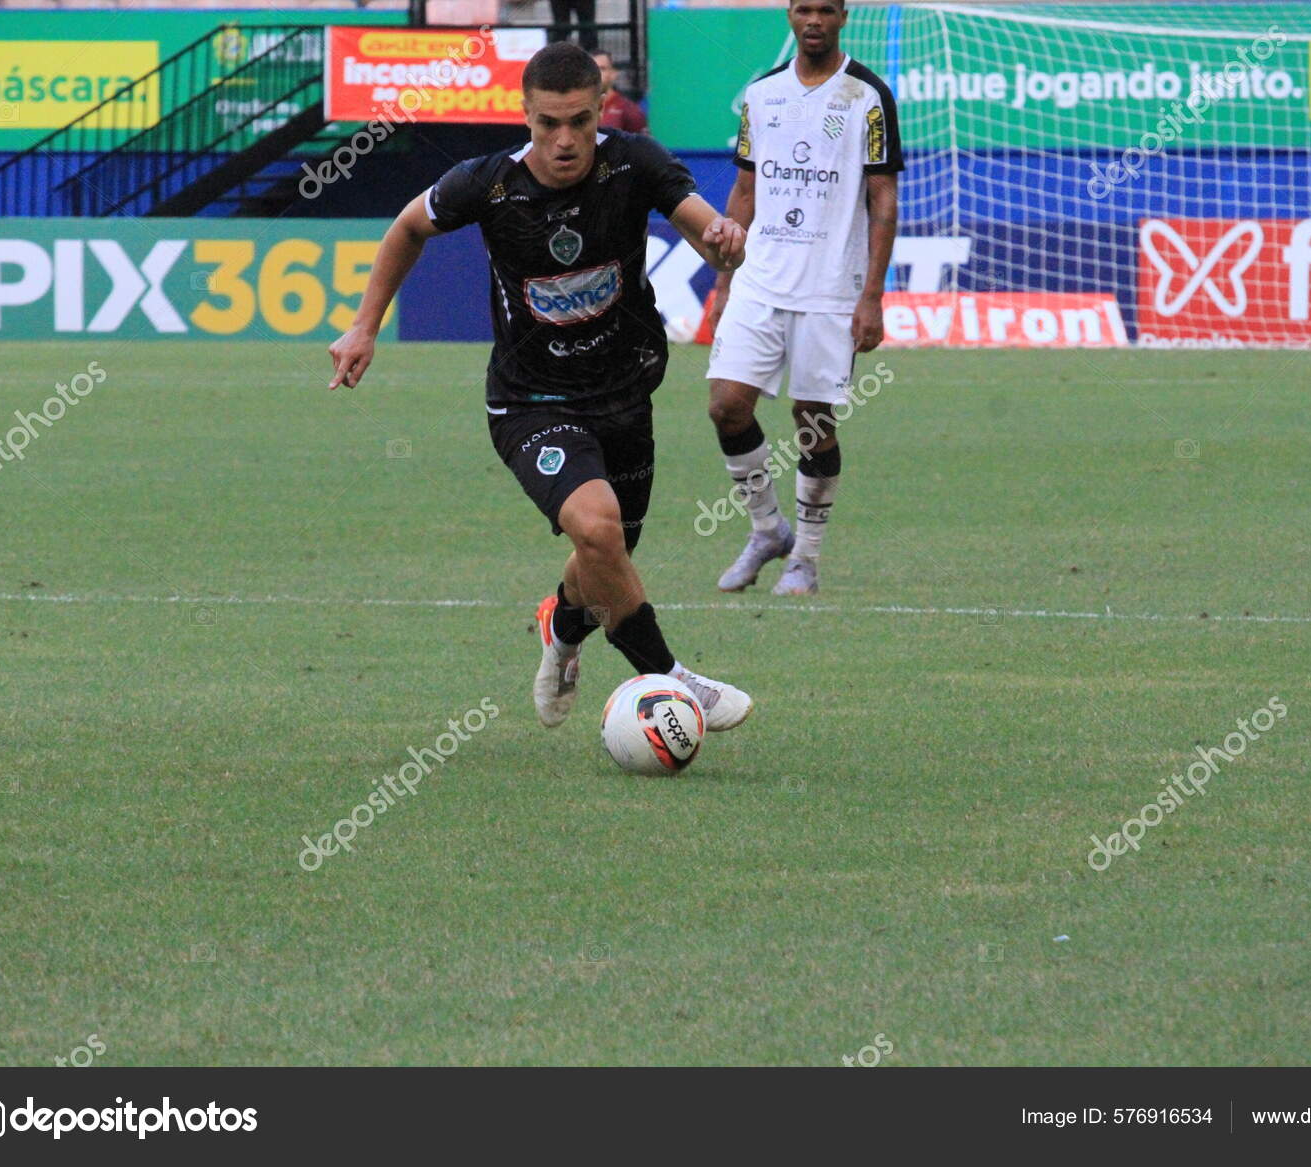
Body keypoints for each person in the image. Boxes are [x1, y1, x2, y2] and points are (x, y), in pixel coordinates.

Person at [327, 43, 753, 732]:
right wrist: (364, 326)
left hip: (625, 395)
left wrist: (724, 239)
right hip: (532, 403)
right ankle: (670, 679)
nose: (564, 140)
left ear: (600, 111)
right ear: (524, 114)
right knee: (598, 528)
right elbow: (408, 227)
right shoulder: (488, 183)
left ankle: (563, 626)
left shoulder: (635, 162)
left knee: (605, 555)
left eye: (580, 122)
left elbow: (702, 224)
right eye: (548, 123)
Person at [703, 0, 902, 595]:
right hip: (759, 278)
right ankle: (768, 530)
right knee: (726, 406)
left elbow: (883, 199)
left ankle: (806, 560)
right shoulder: (762, 94)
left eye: (825, 10)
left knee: (812, 422)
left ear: (843, 17)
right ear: (789, 15)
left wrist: (872, 296)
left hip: (831, 288)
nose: (814, 20)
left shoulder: (868, 95)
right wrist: (723, 282)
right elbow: (745, 190)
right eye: (803, 9)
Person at [593, 49, 647, 133]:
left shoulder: (628, 110)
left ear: (613, 74)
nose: (596, 73)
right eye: (591, 69)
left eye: (602, 68)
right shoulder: (577, 107)